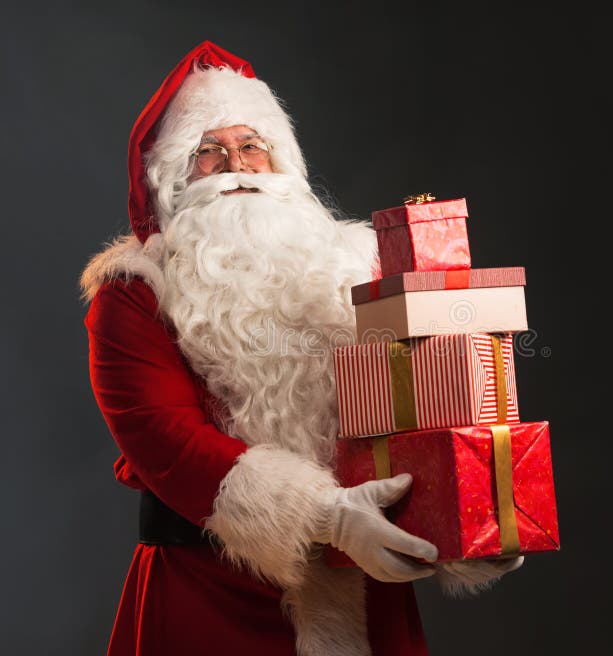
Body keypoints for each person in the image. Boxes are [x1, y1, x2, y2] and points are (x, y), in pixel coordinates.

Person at [81, 41, 522, 656]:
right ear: (172, 178)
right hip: (211, 594)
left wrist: (471, 513)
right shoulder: (132, 297)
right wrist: (326, 517)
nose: (235, 164)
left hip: (369, 584)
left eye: (252, 145)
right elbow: (166, 441)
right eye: (207, 151)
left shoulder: (358, 266)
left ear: (281, 162)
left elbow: (418, 404)